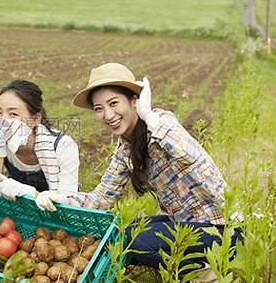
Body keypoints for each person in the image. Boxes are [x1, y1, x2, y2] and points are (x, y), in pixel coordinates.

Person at [34, 63, 242, 277]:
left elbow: (189, 154)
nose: (108, 114)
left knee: (138, 242)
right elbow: (101, 199)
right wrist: (58, 197)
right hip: (183, 223)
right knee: (120, 234)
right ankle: (189, 267)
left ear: (134, 101)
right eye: (99, 109)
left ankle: (204, 273)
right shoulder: (125, 149)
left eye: (114, 103)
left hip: (221, 229)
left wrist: (148, 115)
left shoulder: (162, 124)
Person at [0, 79, 79, 202]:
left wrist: (31, 193)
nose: (3, 121)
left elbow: (69, 205)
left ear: (35, 119)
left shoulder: (63, 146)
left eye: (13, 114)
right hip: (22, 212)